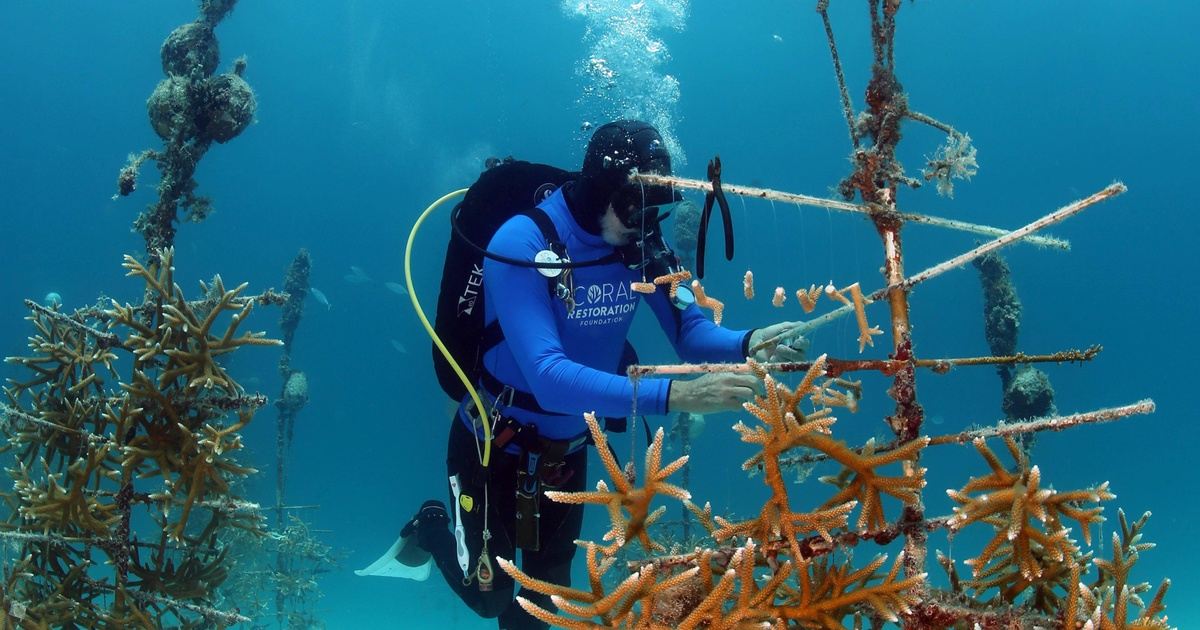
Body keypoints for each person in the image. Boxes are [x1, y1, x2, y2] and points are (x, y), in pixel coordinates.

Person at [405, 120, 808, 629]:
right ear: (600, 189)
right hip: (493, 443)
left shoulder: (642, 244)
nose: (646, 222)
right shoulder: (524, 239)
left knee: (541, 604)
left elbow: (691, 332)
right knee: (490, 597)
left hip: (564, 453)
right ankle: (430, 527)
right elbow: (549, 376)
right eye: (634, 206)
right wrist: (680, 396)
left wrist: (748, 343)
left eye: (656, 208)